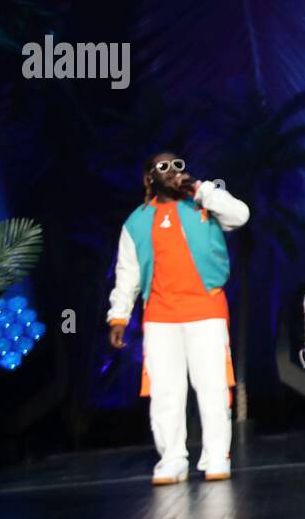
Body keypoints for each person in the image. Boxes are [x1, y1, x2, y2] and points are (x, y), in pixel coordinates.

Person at [107, 152, 250, 485]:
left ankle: (217, 456)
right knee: (165, 391)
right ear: (149, 179)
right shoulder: (137, 222)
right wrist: (118, 317)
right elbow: (126, 274)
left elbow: (240, 215)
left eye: (177, 165)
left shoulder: (203, 205)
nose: (172, 171)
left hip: (206, 309)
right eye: (163, 167)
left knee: (212, 386)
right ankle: (172, 460)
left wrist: (202, 189)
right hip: (160, 317)